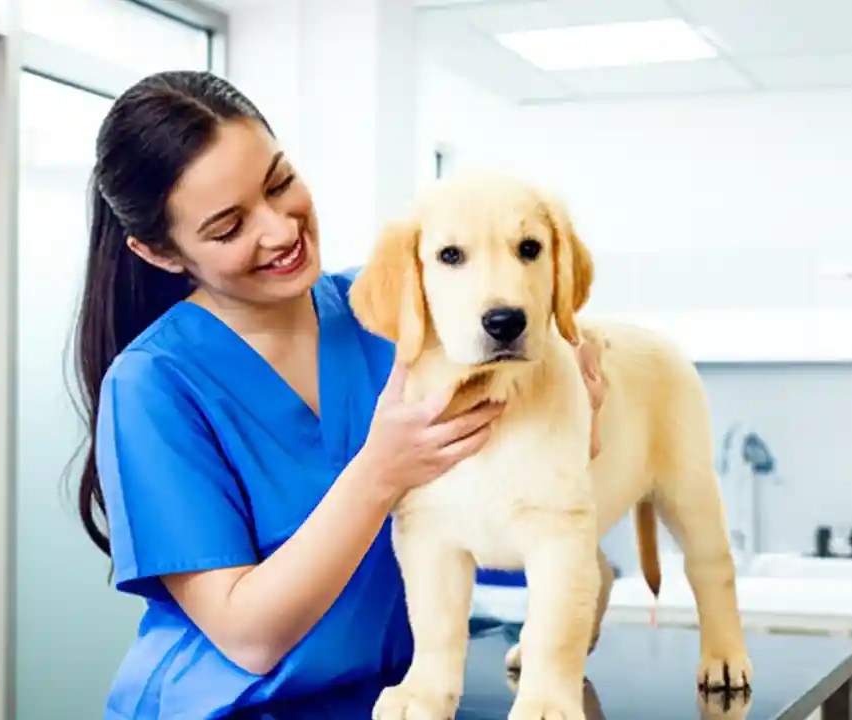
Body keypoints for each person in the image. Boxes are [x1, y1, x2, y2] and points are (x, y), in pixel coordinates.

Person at [72, 70, 605, 720]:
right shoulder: (155, 384)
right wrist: (379, 474)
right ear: (160, 252)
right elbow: (249, 634)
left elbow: (508, 513)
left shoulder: (399, 314)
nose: (278, 230)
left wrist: (575, 402)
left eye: (278, 183)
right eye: (229, 226)